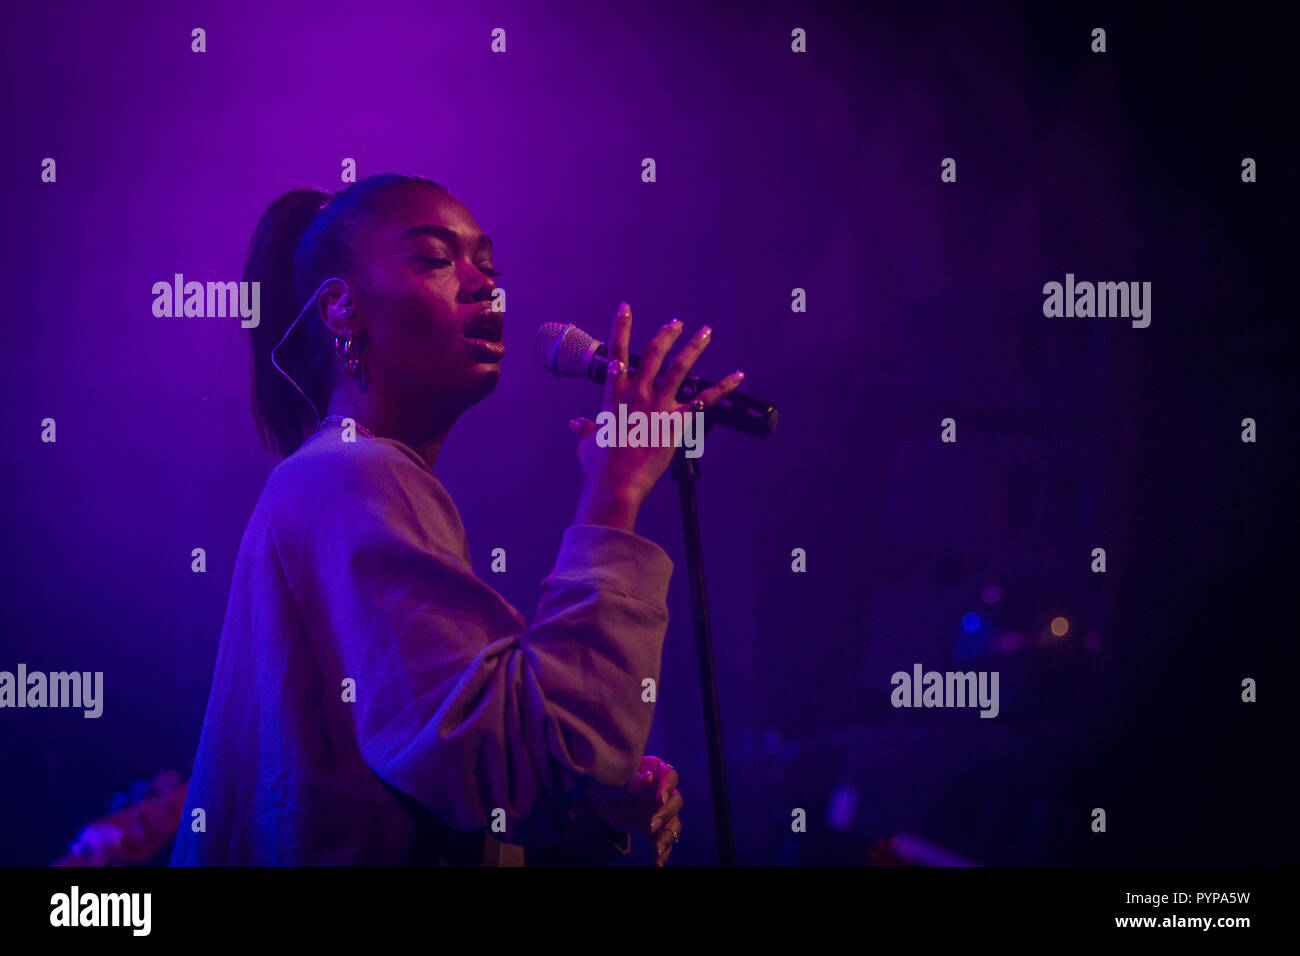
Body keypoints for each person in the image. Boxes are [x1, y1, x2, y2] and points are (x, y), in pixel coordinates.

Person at [169, 173, 744, 865]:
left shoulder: (345, 478)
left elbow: (441, 795)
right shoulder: (351, 474)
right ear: (341, 310)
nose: (484, 287)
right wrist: (616, 489)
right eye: (438, 260)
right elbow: (528, 766)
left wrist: (590, 819)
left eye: (489, 267)